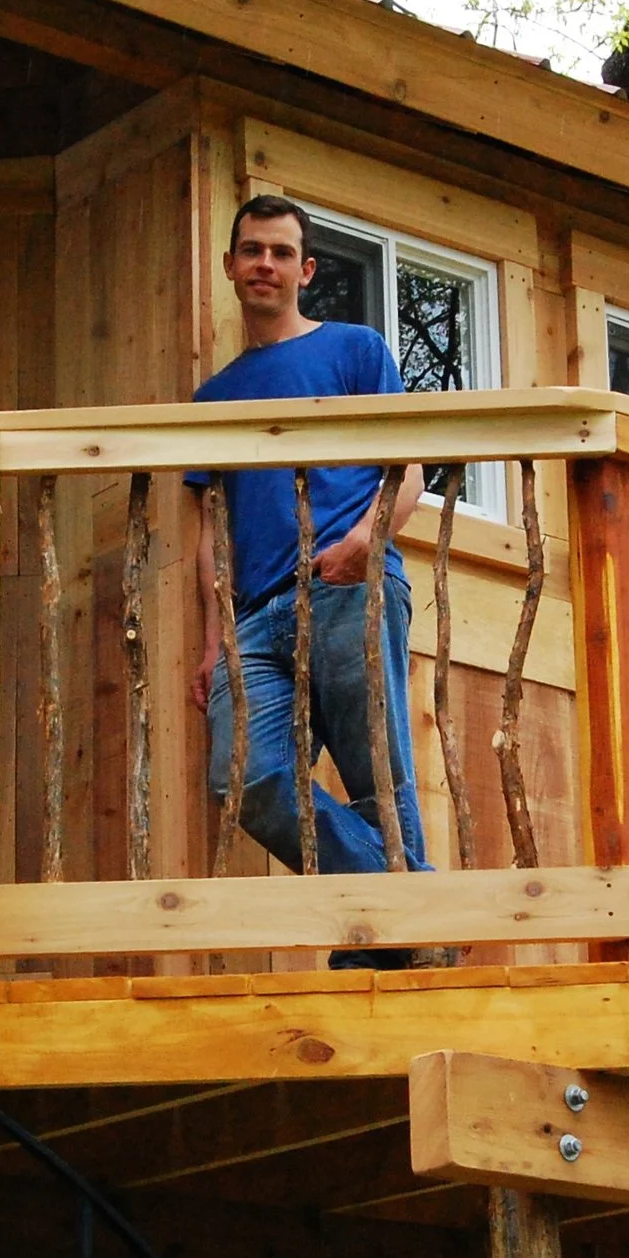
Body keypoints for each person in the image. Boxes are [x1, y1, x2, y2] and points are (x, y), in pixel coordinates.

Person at [188, 196, 431, 965]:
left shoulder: (355, 349)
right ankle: (411, 912)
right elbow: (210, 532)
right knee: (249, 778)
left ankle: (389, 941)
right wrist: (210, 639)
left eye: (282, 252)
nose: (266, 264)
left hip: (344, 583)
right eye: (252, 250)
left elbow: (411, 470)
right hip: (250, 618)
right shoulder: (214, 398)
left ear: (307, 269)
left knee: (375, 774)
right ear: (230, 267)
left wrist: (365, 542)